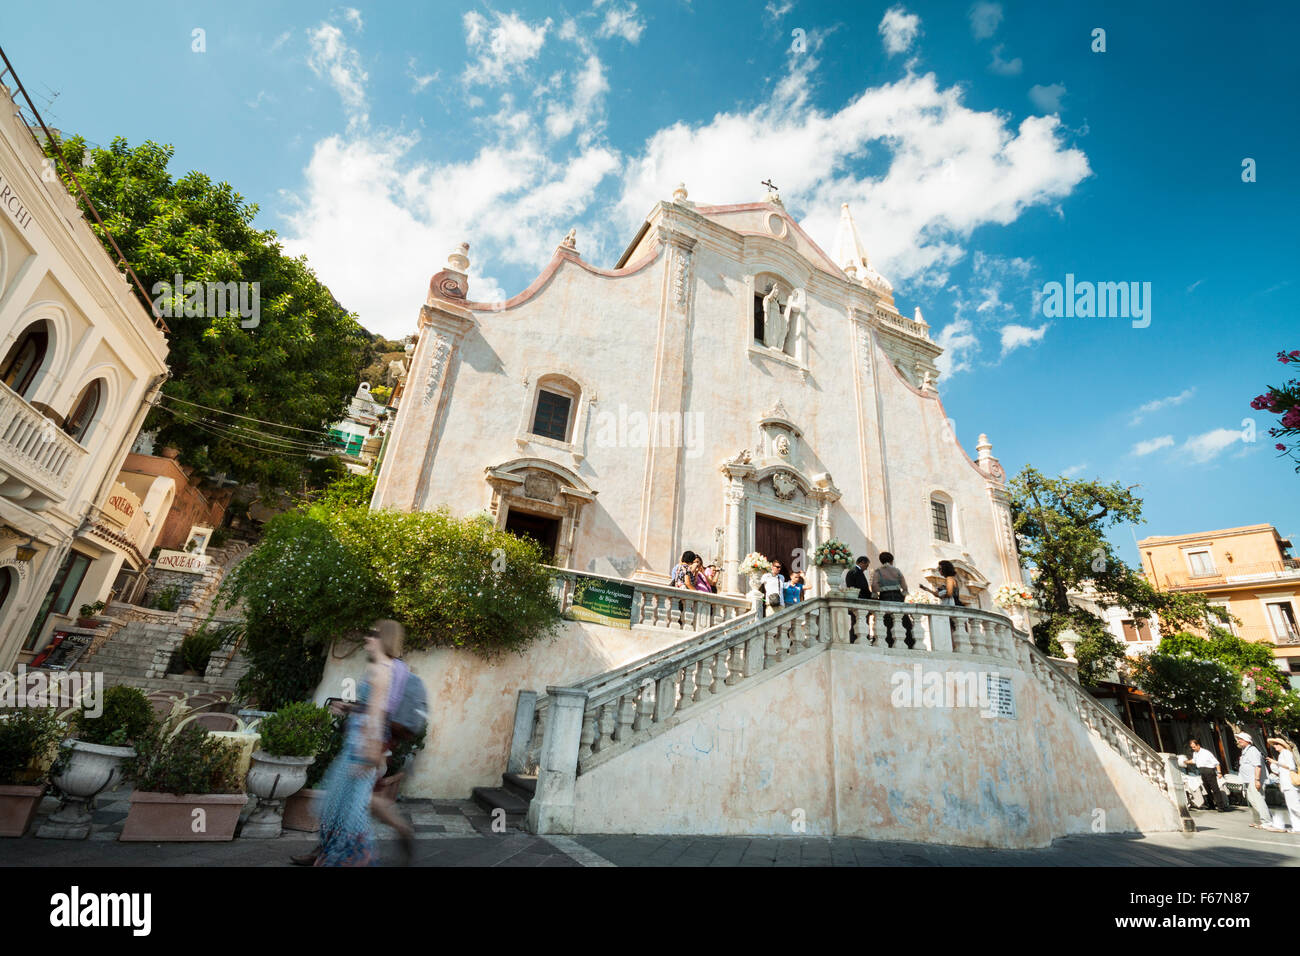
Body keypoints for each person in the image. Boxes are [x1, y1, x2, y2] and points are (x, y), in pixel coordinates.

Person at [314, 620, 403, 866]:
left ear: (384, 638)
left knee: (345, 808)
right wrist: (350, 707)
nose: (367, 638)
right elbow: (372, 708)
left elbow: (377, 715)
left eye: (373, 634)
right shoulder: (381, 668)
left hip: (361, 747)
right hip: (358, 743)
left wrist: (369, 752)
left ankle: (351, 859)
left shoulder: (381, 670)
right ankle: (341, 857)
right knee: (343, 806)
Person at [871, 551, 913, 649]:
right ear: (891, 560)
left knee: (887, 619)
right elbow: (904, 586)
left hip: (885, 596)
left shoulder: (878, 571)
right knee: (902, 618)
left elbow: (874, 585)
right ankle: (908, 642)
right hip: (897, 596)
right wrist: (903, 595)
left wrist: (876, 594)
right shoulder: (897, 570)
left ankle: (889, 642)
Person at [1235, 730, 1274, 829]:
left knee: (1259, 800)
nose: (1239, 741)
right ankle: (1260, 820)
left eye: (1241, 739)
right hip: (1248, 780)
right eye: (1238, 739)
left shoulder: (1252, 750)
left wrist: (1257, 780)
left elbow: (1258, 766)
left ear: (1247, 740)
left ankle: (1268, 821)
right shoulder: (1245, 751)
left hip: (1254, 779)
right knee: (1252, 800)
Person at [1267, 737, 1300, 832]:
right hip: (1286, 784)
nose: (1275, 746)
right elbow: (1280, 770)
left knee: (1295, 806)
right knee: (1291, 807)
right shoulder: (1281, 754)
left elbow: (1291, 767)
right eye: (1274, 744)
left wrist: (1276, 762)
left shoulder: (1286, 753)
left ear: (1282, 745)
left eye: (1277, 744)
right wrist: (1275, 765)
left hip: (1290, 784)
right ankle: (1297, 827)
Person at [1189, 738, 1229, 812]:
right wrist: (1186, 762)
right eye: (1192, 747)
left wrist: (1219, 772)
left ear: (1198, 745)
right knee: (1207, 789)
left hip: (1209, 771)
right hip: (1202, 771)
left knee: (1215, 789)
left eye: (1194, 747)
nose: (1193, 748)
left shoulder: (1206, 752)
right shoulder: (1195, 753)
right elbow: (1194, 760)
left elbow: (1216, 762)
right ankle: (1211, 805)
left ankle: (1221, 806)